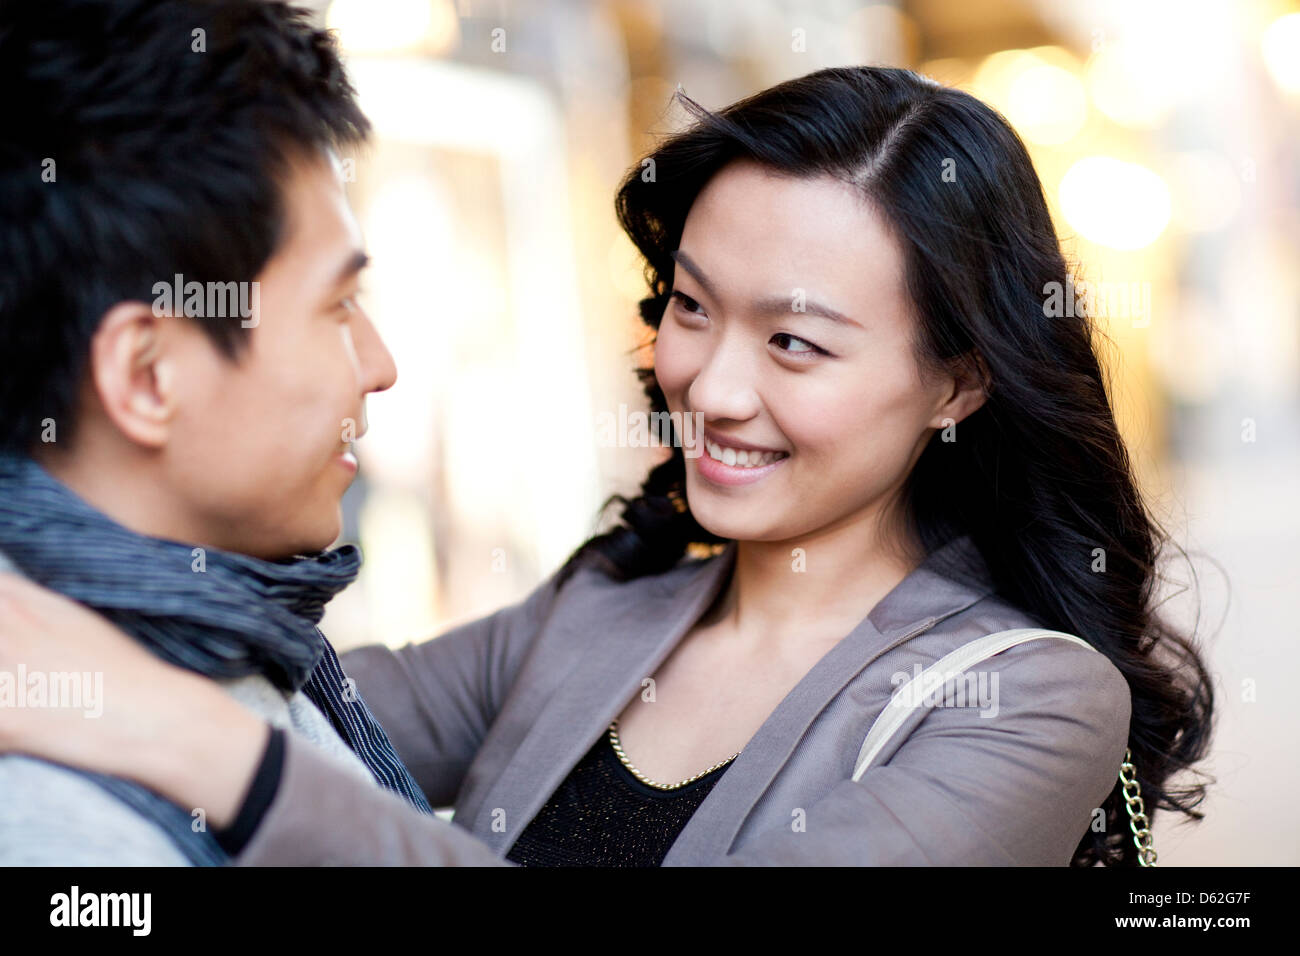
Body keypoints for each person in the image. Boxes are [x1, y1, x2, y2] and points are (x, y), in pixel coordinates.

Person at [0, 64, 1215, 866]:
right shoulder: (593, 616)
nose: (713, 384)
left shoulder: (1028, 698)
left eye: (793, 341)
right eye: (690, 307)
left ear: (957, 380)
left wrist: (207, 755)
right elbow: (297, 704)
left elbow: (240, 744)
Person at [0, 0, 445, 864]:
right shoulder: (61, 823)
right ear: (148, 376)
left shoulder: (245, 642)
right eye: (339, 305)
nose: (380, 364)